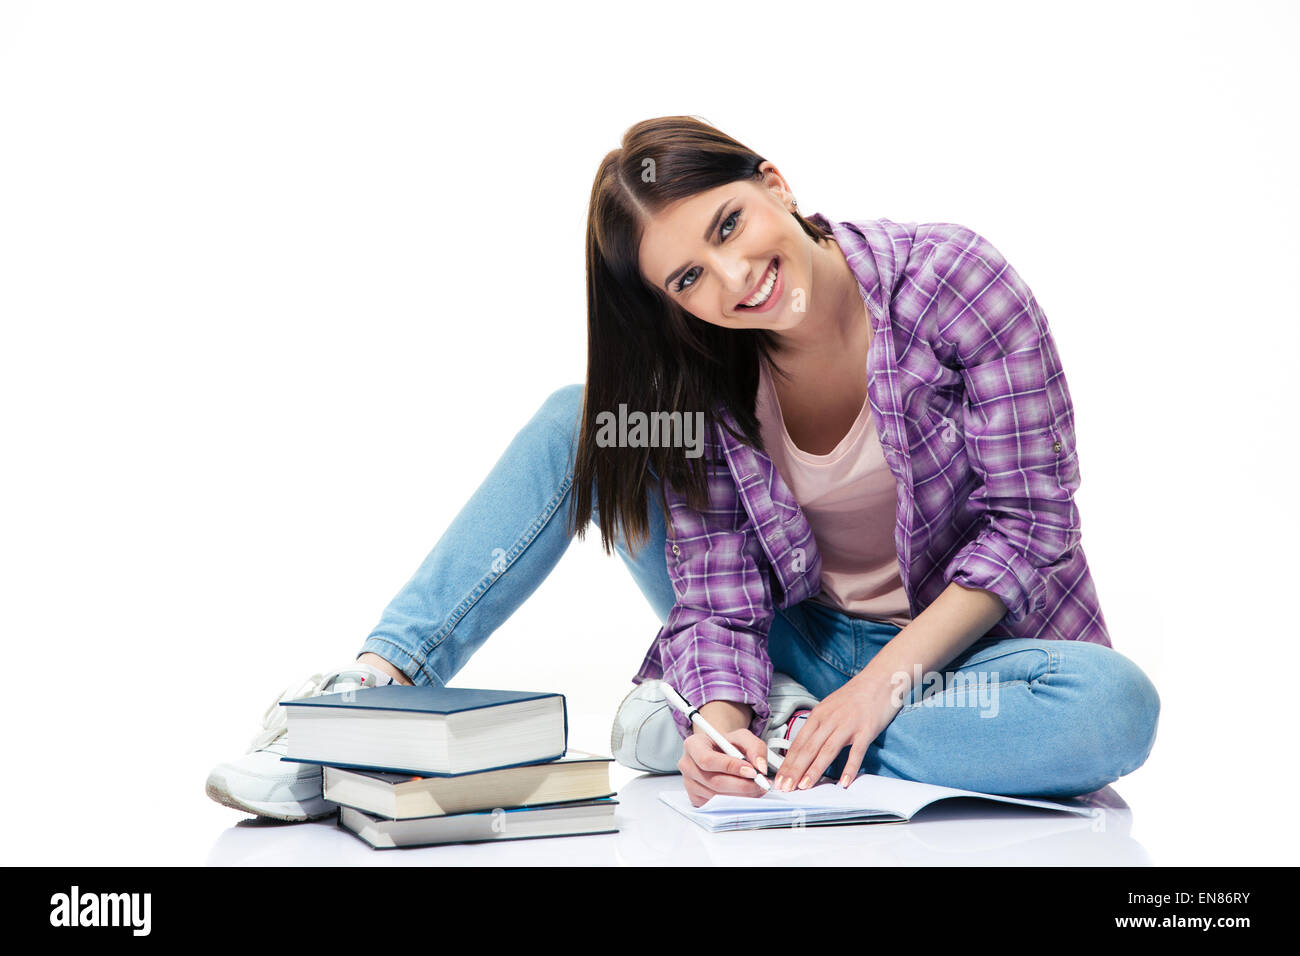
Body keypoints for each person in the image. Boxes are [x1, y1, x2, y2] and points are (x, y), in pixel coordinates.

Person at [205, 115, 1160, 820]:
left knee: (1112, 710)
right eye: (690, 279)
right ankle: (364, 709)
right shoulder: (707, 380)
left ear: (776, 183)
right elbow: (718, 592)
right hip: (801, 636)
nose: (736, 277)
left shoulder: (953, 281)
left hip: (962, 656)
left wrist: (877, 692)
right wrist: (723, 711)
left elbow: (1032, 528)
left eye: (730, 225)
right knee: (579, 422)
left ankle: (797, 732)